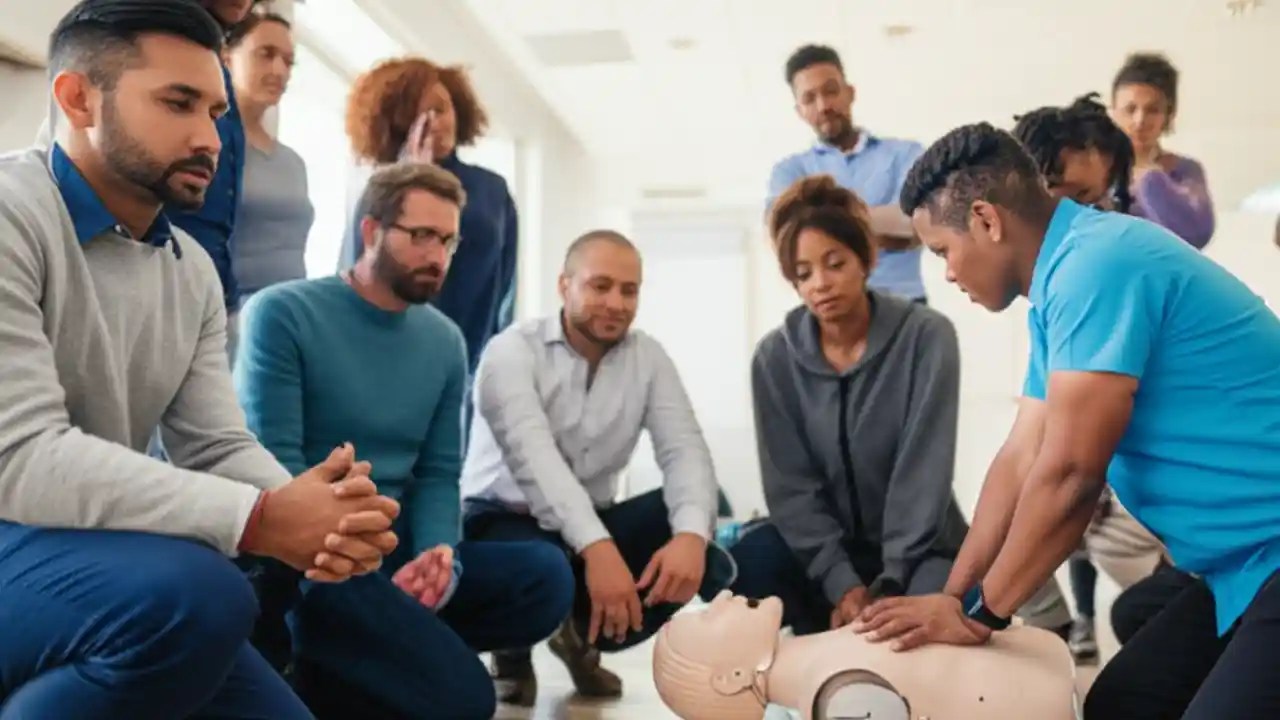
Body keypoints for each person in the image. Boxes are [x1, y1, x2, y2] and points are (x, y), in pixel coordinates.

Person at [0, 2, 399, 717]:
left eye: (215, 111)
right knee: (202, 592)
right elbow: (20, 458)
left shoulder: (191, 271)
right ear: (78, 99)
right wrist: (262, 519)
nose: (209, 137)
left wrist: (318, 519)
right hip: (17, 542)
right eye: (177, 103)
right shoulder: (10, 214)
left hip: (90, 562)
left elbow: (213, 445)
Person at [858, 121, 1280, 720]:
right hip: (1238, 567)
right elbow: (1020, 460)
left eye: (943, 251)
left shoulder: (1095, 266)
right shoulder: (1058, 288)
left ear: (986, 219)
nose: (948, 273)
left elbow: (1071, 476)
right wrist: (953, 599)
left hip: (1271, 549)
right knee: (1122, 704)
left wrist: (981, 615)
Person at [234, 162, 572, 719]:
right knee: (466, 701)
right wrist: (357, 554)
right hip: (315, 560)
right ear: (371, 231)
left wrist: (440, 555)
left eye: (448, 241)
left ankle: (378, 651)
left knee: (547, 578)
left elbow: (439, 472)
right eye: (422, 235)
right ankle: (350, 655)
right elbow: (276, 465)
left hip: (396, 558)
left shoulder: (445, 341)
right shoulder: (283, 313)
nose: (438, 255)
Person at [460, 230, 735, 705]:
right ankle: (513, 649)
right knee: (544, 565)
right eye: (600, 286)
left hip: (591, 521)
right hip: (501, 520)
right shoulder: (511, 351)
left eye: (629, 291)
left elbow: (685, 450)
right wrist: (598, 549)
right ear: (564, 286)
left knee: (704, 551)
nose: (616, 303)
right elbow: (535, 460)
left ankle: (580, 632)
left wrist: (691, 537)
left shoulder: (649, 358)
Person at [728, 175, 968, 636]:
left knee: (924, 624)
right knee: (746, 564)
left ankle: (854, 634)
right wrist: (842, 585)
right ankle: (825, 639)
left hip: (921, 551)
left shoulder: (926, 338)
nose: (821, 284)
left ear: (866, 259)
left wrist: (888, 584)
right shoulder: (774, 359)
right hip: (826, 557)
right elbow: (791, 488)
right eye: (803, 274)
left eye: (835, 263)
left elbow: (922, 474)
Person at [1012, 93, 1166, 662]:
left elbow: (1074, 464)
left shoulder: (1122, 266)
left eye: (1103, 200)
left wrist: (985, 607)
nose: (1091, 217)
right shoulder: (1053, 298)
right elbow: (1031, 446)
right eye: (1073, 200)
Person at [339, 57, 518, 374]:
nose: (433, 122)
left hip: (473, 358)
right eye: (417, 114)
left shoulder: (491, 190)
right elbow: (360, 272)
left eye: (440, 109)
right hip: (391, 353)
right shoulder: (379, 191)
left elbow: (506, 283)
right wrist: (414, 177)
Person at [766, 44, 927, 303]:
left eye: (830, 91)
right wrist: (890, 234)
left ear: (850, 93)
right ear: (799, 110)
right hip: (829, 310)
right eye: (809, 98)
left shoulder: (905, 154)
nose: (823, 105)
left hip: (906, 306)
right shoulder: (789, 171)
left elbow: (919, 222)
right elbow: (786, 241)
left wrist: (822, 229)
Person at [225, 11, 314, 310]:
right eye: (266, 54)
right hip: (229, 314)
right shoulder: (212, 145)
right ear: (227, 57)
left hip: (290, 311)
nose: (279, 70)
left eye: (289, 62)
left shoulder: (293, 163)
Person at [1111, 52, 1216, 248]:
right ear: (1113, 112)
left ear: (1168, 115)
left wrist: (1150, 179)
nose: (1140, 121)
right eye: (1130, 109)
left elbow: (1195, 236)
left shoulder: (1185, 171)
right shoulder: (1096, 172)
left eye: (1152, 110)